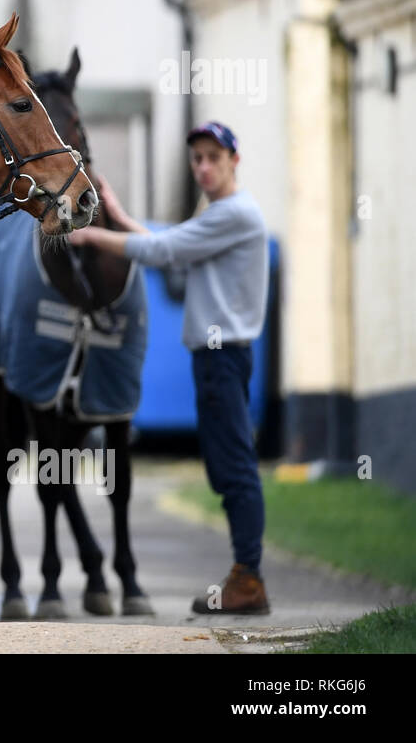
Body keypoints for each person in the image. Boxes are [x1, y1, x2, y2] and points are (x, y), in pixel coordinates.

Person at [69, 121, 271, 614]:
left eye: (213, 158)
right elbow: (173, 251)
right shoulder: (220, 216)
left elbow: (164, 249)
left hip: (223, 359)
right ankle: (245, 574)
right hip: (216, 359)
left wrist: (92, 235)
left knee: (235, 468)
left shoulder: (236, 214)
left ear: (234, 162)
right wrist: (120, 217)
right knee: (226, 467)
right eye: (196, 158)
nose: (203, 168)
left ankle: (248, 578)